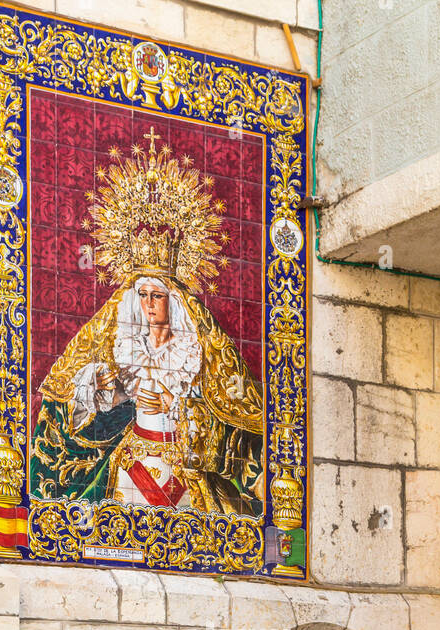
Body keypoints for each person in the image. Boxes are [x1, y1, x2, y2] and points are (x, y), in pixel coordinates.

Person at [30, 130, 264, 516]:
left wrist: (177, 404)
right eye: (143, 296)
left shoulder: (198, 349)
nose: (149, 304)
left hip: (182, 465)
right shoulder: (122, 345)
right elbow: (80, 405)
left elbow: (236, 420)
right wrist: (101, 386)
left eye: (157, 296)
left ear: (173, 300)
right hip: (131, 454)